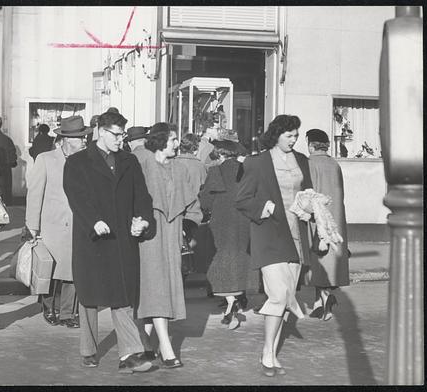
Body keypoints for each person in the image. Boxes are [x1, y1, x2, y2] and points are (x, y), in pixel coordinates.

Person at [62, 110, 154, 373]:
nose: (121, 139)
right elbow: (76, 196)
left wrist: (143, 220)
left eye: (123, 134)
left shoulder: (129, 161)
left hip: (122, 239)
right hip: (92, 240)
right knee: (90, 298)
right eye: (116, 134)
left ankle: (130, 353)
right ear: (101, 132)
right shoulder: (78, 162)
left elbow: (142, 197)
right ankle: (89, 350)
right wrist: (93, 220)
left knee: (123, 296)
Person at [235, 114, 313, 377]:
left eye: (296, 135)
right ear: (276, 134)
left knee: (285, 298)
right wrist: (261, 207)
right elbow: (242, 199)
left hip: (296, 236)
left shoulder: (302, 160)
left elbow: (308, 193)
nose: (294, 140)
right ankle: (268, 353)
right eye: (289, 135)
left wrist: (310, 209)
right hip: (269, 235)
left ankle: (271, 352)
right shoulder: (256, 163)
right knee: (278, 295)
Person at [134, 123, 201, 368]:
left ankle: (146, 343)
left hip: (172, 236)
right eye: (173, 139)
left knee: (162, 290)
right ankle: (167, 347)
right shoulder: (141, 165)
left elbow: (193, 205)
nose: (177, 144)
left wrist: (189, 226)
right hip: (149, 236)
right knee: (156, 289)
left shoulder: (180, 168)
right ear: (161, 140)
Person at [26, 116, 91, 329]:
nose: (84, 141)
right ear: (64, 139)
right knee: (50, 271)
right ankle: (48, 307)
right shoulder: (46, 159)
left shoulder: (87, 160)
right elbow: (35, 194)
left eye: (84, 137)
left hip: (78, 226)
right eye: (79, 138)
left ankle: (67, 313)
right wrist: (32, 226)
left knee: (74, 271)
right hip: (51, 227)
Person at [199, 139, 256, 329]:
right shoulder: (246, 169)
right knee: (240, 255)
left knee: (222, 258)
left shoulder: (216, 171)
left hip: (222, 221)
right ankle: (239, 298)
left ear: (221, 154)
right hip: (244, 219)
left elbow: (206, 202)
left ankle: (231, 301)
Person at [303, 128, 349, 321]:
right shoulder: (334, 163)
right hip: (336, 218)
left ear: (311, 144)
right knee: (329, 261)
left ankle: (324, 298)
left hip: (317, 219)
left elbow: (306, 194)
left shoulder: (308, 163)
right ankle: (319, 304)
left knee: (317, 260)